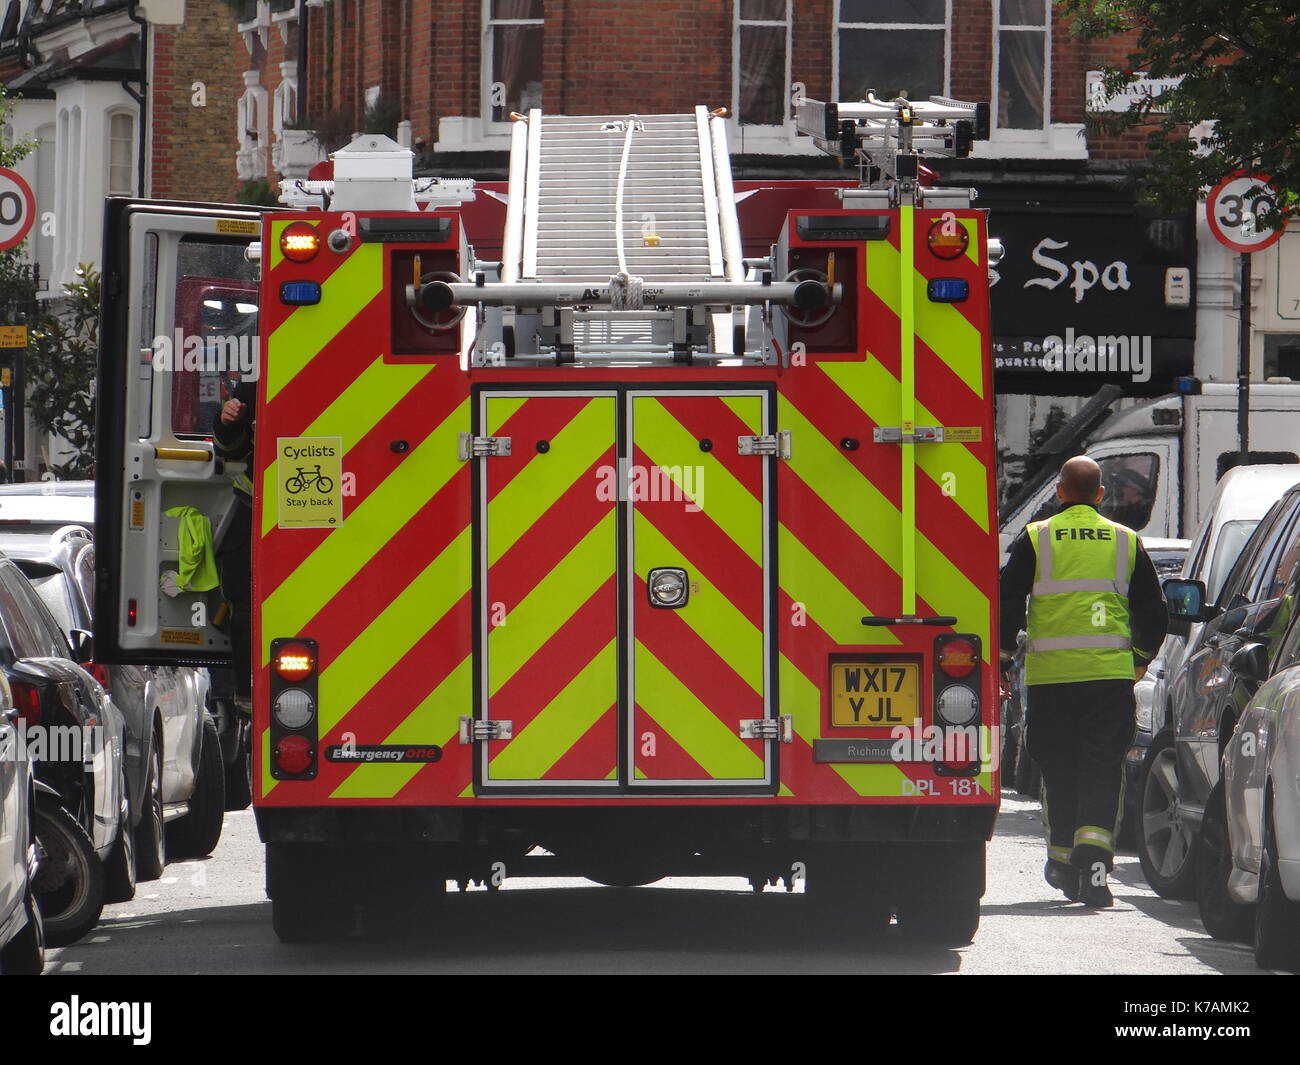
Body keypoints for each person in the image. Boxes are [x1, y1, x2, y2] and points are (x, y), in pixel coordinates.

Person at [1000, 455, 1168, 907]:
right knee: (1101, 768)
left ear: (1058, 492)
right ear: (1100, 496)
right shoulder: (1125, 540)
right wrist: (1138, 661)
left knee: (1058, 768)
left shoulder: (1037, 537)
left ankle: (1061, 861)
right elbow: (1155, 612)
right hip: (1109, 681)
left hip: (1053, 680)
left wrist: (999, 658)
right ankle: (1095, 868)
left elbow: (1007, 599)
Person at [213, 379, 257, 707]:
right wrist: (229, 419)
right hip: (257, 516)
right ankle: (247, 698)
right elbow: (230, 450)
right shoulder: (258, 383)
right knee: (245, 609)